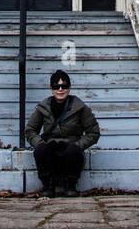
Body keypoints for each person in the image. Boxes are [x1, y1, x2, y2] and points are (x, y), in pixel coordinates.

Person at [24, 69, 100, 197]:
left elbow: (93, 132)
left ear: (69, 88)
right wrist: (40, 144)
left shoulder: (80, 107)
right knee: (41, 151)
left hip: (71, 148)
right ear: (51, 88)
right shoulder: (43, 107)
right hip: (50, 147)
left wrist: (78, 145)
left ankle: (70, 185)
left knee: (73, 152)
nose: (60, 89)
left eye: (64, 86)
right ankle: (47, 186)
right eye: (56, 86)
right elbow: (30, 130)